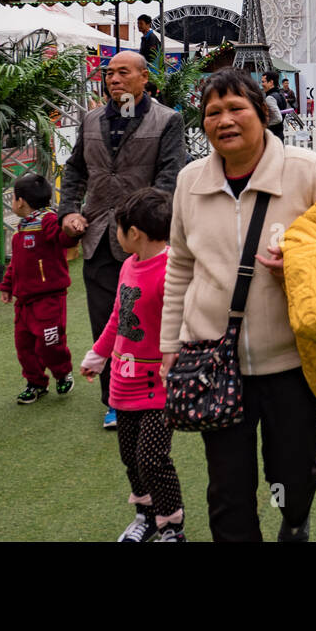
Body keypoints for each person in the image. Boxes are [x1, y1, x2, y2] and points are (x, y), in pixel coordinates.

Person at [160, 68, 316, 541]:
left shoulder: (305, 170)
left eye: (237, 108)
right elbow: (180, 267)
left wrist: (301, 259)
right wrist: (169, 341)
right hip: (212, 359)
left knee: (290, 473)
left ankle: (295, 517)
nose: (224, 120)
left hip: (291, 359)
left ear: (262, 112)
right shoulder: (191, 180)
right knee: (227, 489)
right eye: (213, 112)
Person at [60, 50, 187, 430]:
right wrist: (68, 210)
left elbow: (170, 177)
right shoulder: (91, 119)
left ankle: (161, 388)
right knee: (105, 321)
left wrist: (149, 222)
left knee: (149, 319)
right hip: (99, 236)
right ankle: (114, 399)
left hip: (147, 240)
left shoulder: (168, 120)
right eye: (109, 73)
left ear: (144, 78)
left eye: (123, 72)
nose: (114, 79)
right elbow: (75, 168)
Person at [81, 187, 185, 542]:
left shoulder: (172, 269)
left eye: (118, 229)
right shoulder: (128, 265)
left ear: (134, 233)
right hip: (122, 386)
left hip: (159, 386)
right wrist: (98, 355)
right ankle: (146, 516)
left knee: (152, 457)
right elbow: (118, 318)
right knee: (131, 457)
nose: (116, 235)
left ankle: (171, 525)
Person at [0, 173, 81, 404]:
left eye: (13, 198)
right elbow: (15, 263)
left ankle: (62, 372)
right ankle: (35, 382)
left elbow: (62, 239)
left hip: (49, 299)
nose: (12, 202)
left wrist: (72, 233)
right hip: (24, 302)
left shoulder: (47, 220)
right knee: (24, 346)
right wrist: (7, 285)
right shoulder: (21, 228)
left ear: (21, 201)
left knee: (50, 342)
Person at [262, 70, 286, 141]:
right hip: (280, 134)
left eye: (263, 82)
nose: (262, 84)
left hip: (272, 135)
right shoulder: (281, 95)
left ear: (271, 82)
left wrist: (263, 125)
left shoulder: (270, 98)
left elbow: (278, 118)